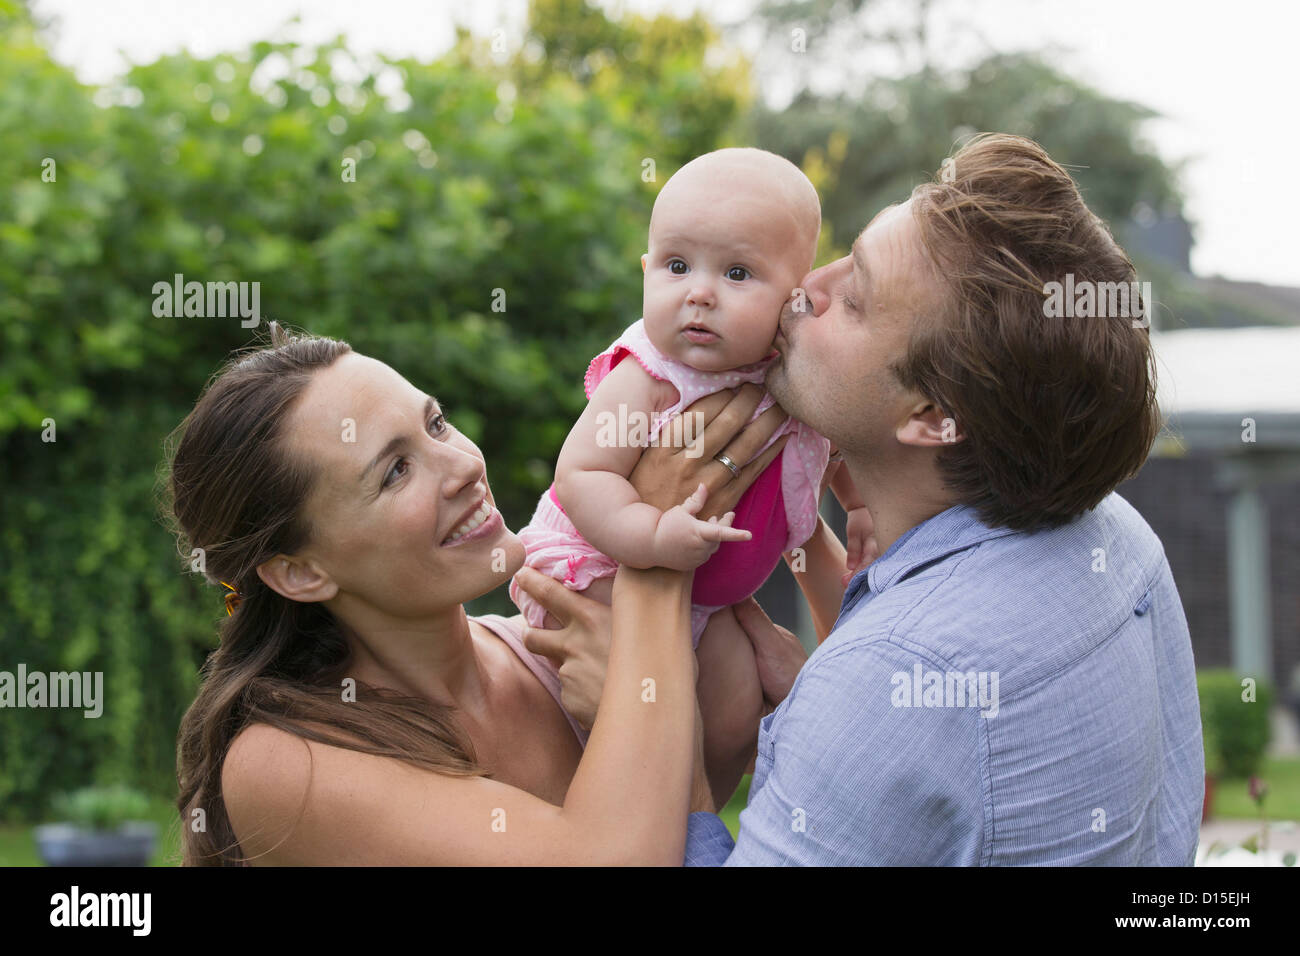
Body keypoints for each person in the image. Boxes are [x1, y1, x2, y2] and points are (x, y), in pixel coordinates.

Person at [664, 132, 1204, 864]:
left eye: (852, 299)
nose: (803, 291)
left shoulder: (886, 681)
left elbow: (899, 705)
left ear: (930, 418)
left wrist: (671, 760)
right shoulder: (1118, 538)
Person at [165, 322, 786, 865]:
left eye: (437, 423)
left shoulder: (557, 650)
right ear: (301, 572)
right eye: (395, 471)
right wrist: (653, 552)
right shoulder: (284, 763)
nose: (462, 465)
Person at [508, 147, 869, 807]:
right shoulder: (650, 375)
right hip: (605, 575)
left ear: (796, 299)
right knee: (645, 708)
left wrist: (858, 497)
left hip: (710, 602)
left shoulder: (792, 372)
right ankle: (619, 800)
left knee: (734, 713)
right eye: (676, 266)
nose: (698, 292)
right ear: (646, 273)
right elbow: (583, 472)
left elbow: (833, 443)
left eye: (737, 273)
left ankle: (687, 819)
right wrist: (650, 534)